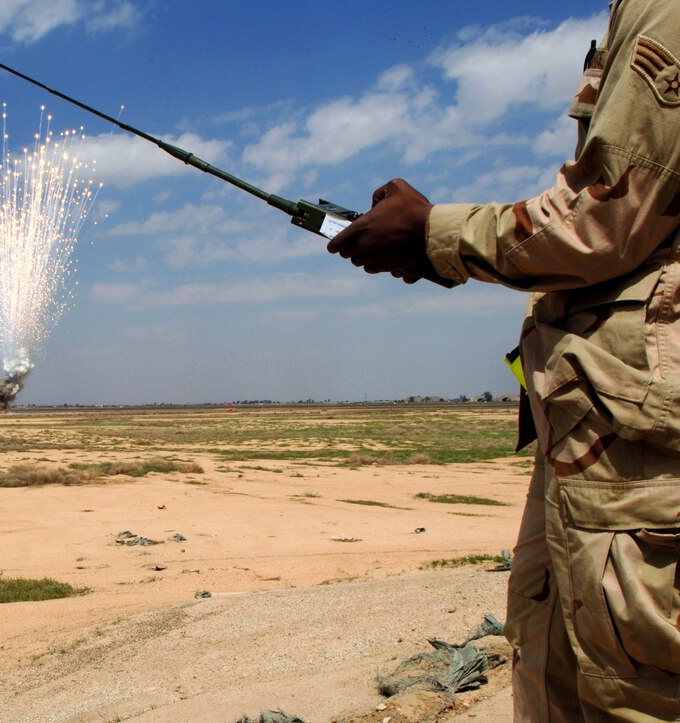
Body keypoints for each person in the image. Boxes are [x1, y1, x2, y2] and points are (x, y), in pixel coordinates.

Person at [328, 1, 680, 720]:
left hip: (634, 459)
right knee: (553, 658)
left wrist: (432, 232)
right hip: (598, 443)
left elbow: (605, 217)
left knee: (626, 689)